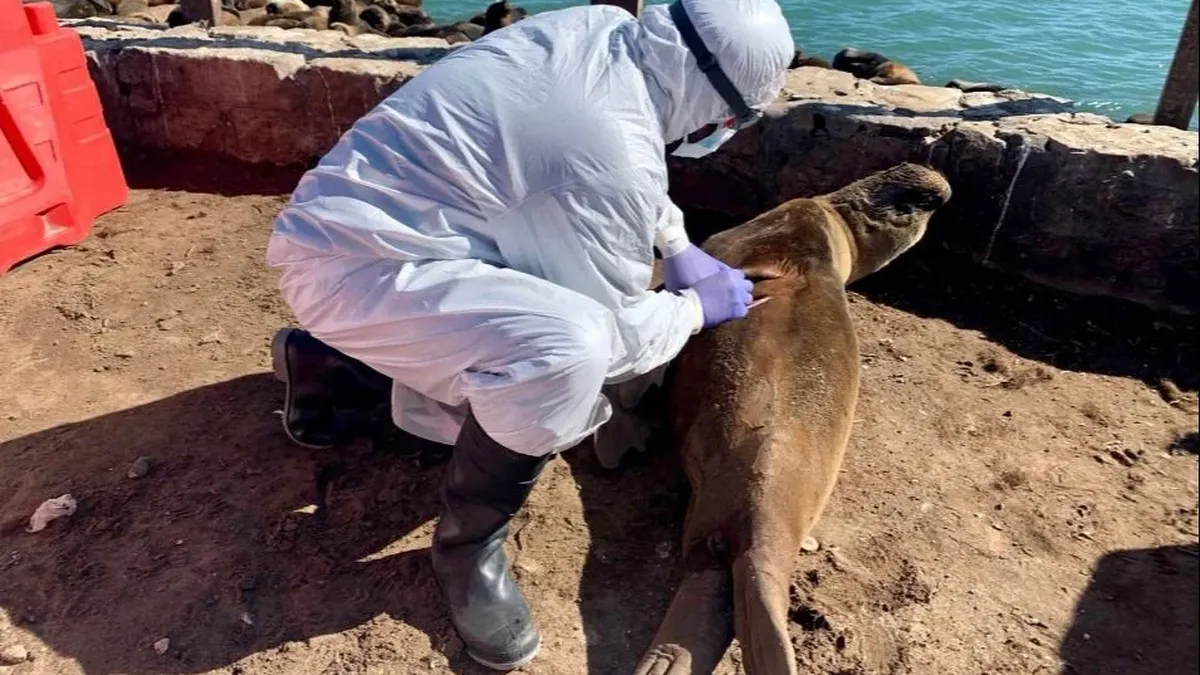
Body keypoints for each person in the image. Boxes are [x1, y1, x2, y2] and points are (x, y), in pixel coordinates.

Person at [264, 0, 794, 669]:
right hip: (352, 271)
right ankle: (466, 545)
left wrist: (676, 241)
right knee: (565, 350)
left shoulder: (602, 31)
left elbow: (601, 158)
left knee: (532, 302)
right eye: (729, 121)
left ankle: (330, 367)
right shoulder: (611, 148)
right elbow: (617, 331)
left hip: (358, 223)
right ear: (714, 105)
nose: (721, 131)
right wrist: (695, 309)